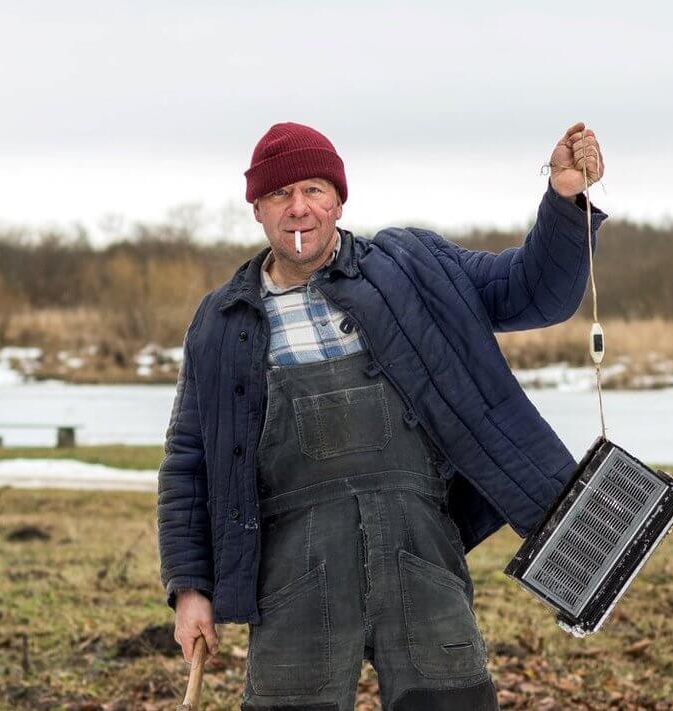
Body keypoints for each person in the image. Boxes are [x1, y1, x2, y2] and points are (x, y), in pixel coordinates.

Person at [158, 121, 606, 710]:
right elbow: (189, 463)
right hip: (293, 579)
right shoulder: (222, 322)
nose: (299, 209)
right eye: (279, 195)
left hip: (422, 557)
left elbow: (532, 291)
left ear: (339, 199)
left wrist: (565, 200)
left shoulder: (416, 269)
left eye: (314, 189)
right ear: (258, 211)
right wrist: (190, 588)